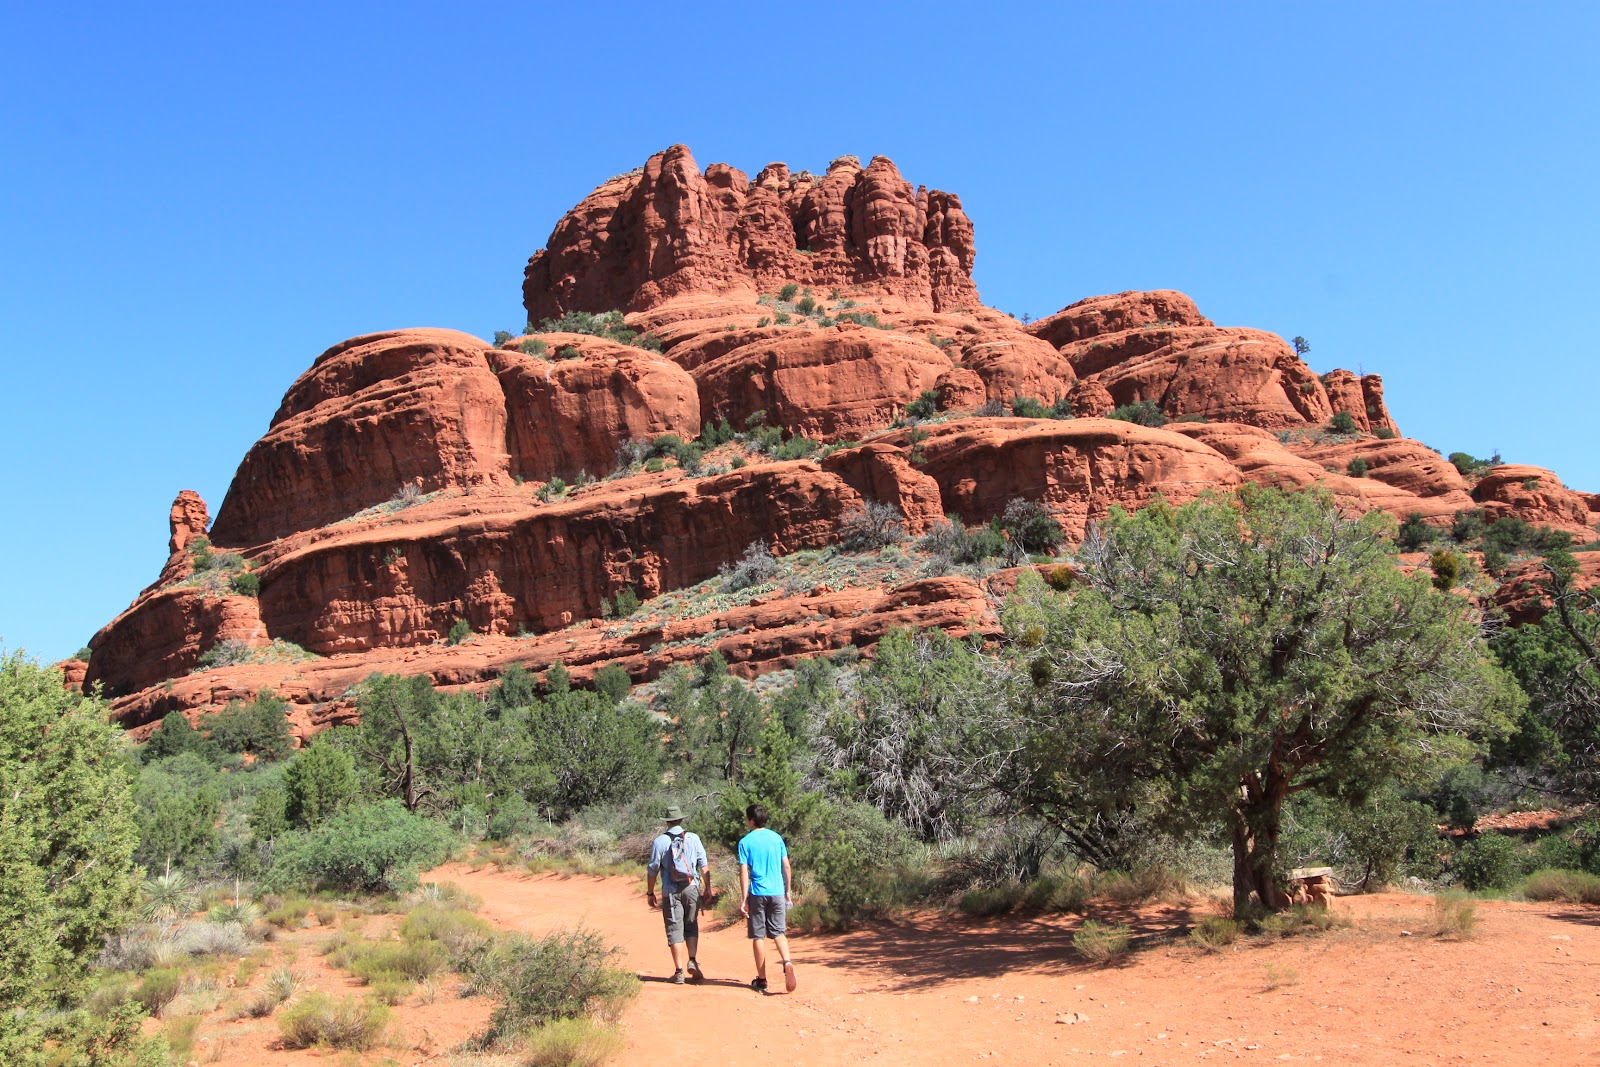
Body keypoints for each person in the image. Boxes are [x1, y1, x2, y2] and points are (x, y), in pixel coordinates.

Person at [646, 804, 712, 984]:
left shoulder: (660, 842)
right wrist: (708, 888)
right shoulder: (693, 838)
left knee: (674, 928)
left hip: (670, 890)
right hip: (692, 888)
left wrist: (650, 892)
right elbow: (703, 865)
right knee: (691, 924)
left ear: (667, 822)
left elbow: (652, 870)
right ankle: (692, 960)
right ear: (681, 820)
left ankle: (679, 971)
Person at [737, 802, 796, 993]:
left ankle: (762, 979)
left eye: (747, 818)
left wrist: (744, 898)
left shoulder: (745, 842)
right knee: (779, 932)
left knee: (758, 936)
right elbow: (786, 866)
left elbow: (744, 872)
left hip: (757, 892)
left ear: (751, 820)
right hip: (777, 891)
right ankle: (787, 962)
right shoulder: (776, 838)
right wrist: (787, 890)